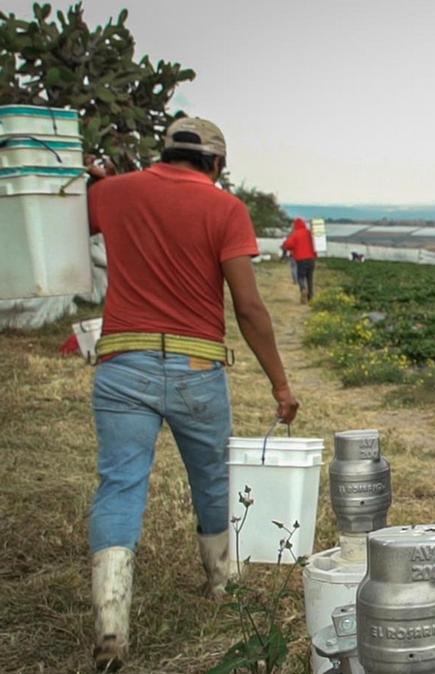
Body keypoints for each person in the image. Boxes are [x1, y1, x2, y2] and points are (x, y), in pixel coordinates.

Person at [85, 117, 299, 671]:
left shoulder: (113, 193)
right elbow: (248, 307)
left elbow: (71, 215)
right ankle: (222, 584)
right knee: (212, 479)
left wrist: (99, 181)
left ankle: (111, 623)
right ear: (217, 164)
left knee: (120, 485)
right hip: (196, 366)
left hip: (122, 361)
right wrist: (279, 382)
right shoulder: (225, 208)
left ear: (165, 152)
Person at [281, 217, 317, 303]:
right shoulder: (310, 233)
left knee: (301, 277)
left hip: (301, 260)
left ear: (295, 225)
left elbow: (288, 245)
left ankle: (303, 289)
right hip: (311, 259)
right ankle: (310, 297)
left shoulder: (295, 234)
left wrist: (286, 246)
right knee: (310, 278)